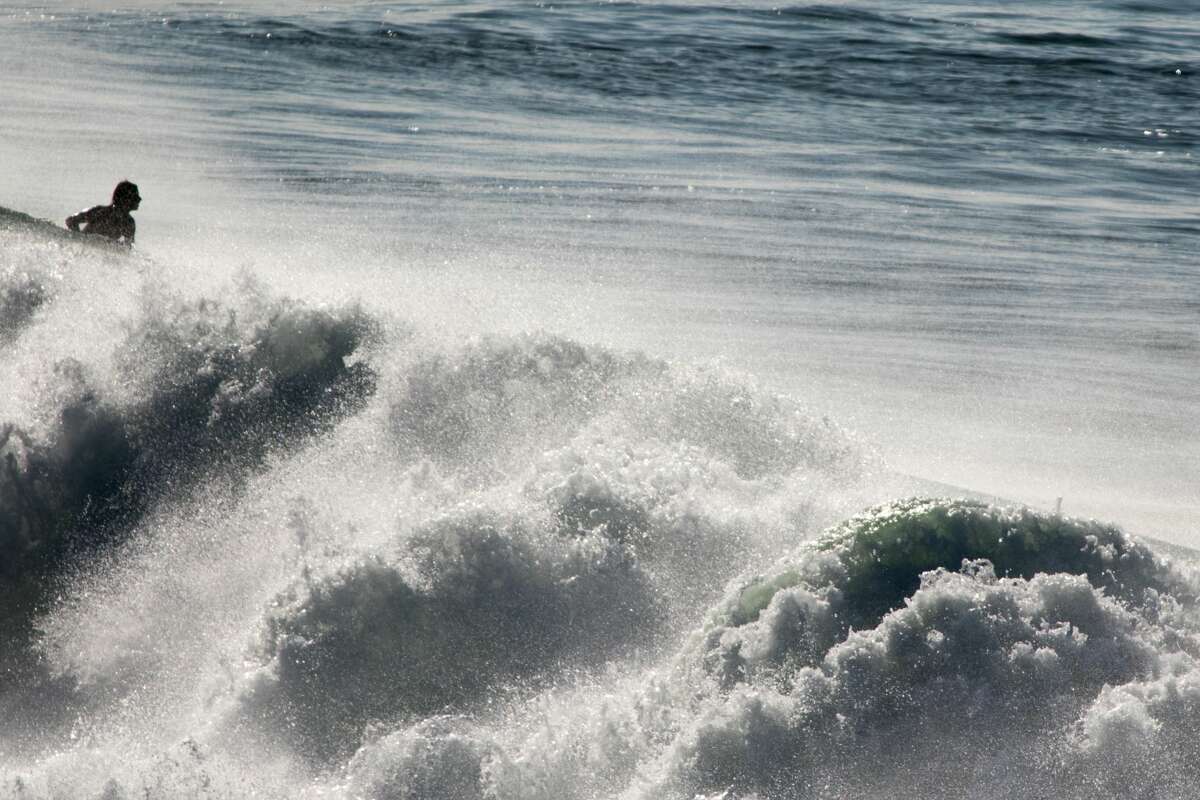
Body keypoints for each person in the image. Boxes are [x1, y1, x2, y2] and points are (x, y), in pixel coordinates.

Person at [66, 181, 141, 244]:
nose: (139, 199)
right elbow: (71, 221)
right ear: (124, 198)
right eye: (135, 196)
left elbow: (128, 249)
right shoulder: (101, 212)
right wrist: (80, 240)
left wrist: (116, 246)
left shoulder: (128, 223)